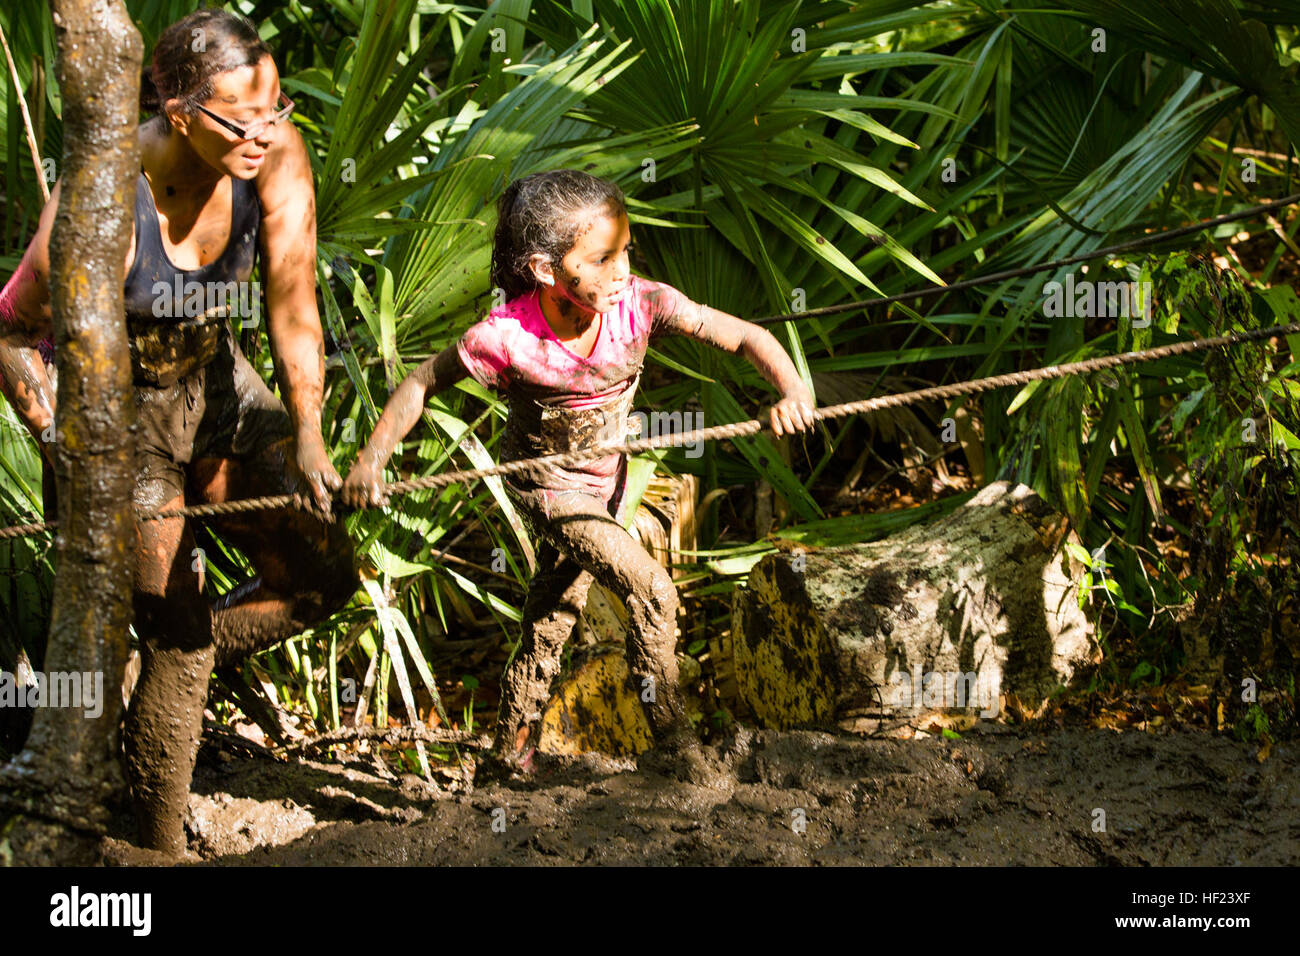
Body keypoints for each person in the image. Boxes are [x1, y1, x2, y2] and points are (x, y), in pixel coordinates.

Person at [0, 9, 356, 854]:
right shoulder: (101, 194)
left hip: (215, 379)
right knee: (181, 633)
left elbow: (294, 301)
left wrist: (307, 430)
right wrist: (58, 434)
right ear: (181, 111)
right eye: (243, 116)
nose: (265, 132)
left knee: (322, 571)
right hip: (112, 411)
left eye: (277, 109)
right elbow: (11, 330)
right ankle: (155, 845)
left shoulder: (273, 157)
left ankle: (140, 679)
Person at [343, 169, 816, 783]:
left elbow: (745, 335)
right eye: (602, 259)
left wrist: (792, 388)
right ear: (546, 270)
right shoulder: (506, 336)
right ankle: (675, 752)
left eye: (626, 251)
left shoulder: (642, 303)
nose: (621, 270)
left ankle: (506, 761)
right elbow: (420, 383)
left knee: (550, 622)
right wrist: (371, 459)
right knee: (652, 592)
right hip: (549, 489)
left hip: (609, 488)